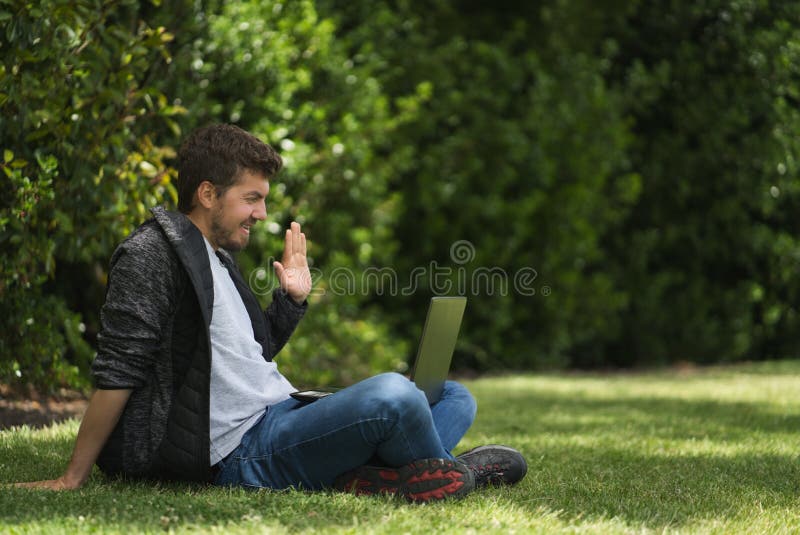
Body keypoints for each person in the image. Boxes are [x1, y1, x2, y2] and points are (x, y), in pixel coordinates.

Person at [15, 124, 526, 501]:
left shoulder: (217, 256)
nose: (261, 213)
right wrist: (73, 475)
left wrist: (292, 302)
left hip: (281, 411)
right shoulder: (152, 255)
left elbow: (250, 357)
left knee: (453, 395)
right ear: (207, 194)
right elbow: (118, 368)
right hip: (242, 451)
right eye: (251, 199)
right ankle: (453, 474)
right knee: (394, 395)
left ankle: (389, 474)